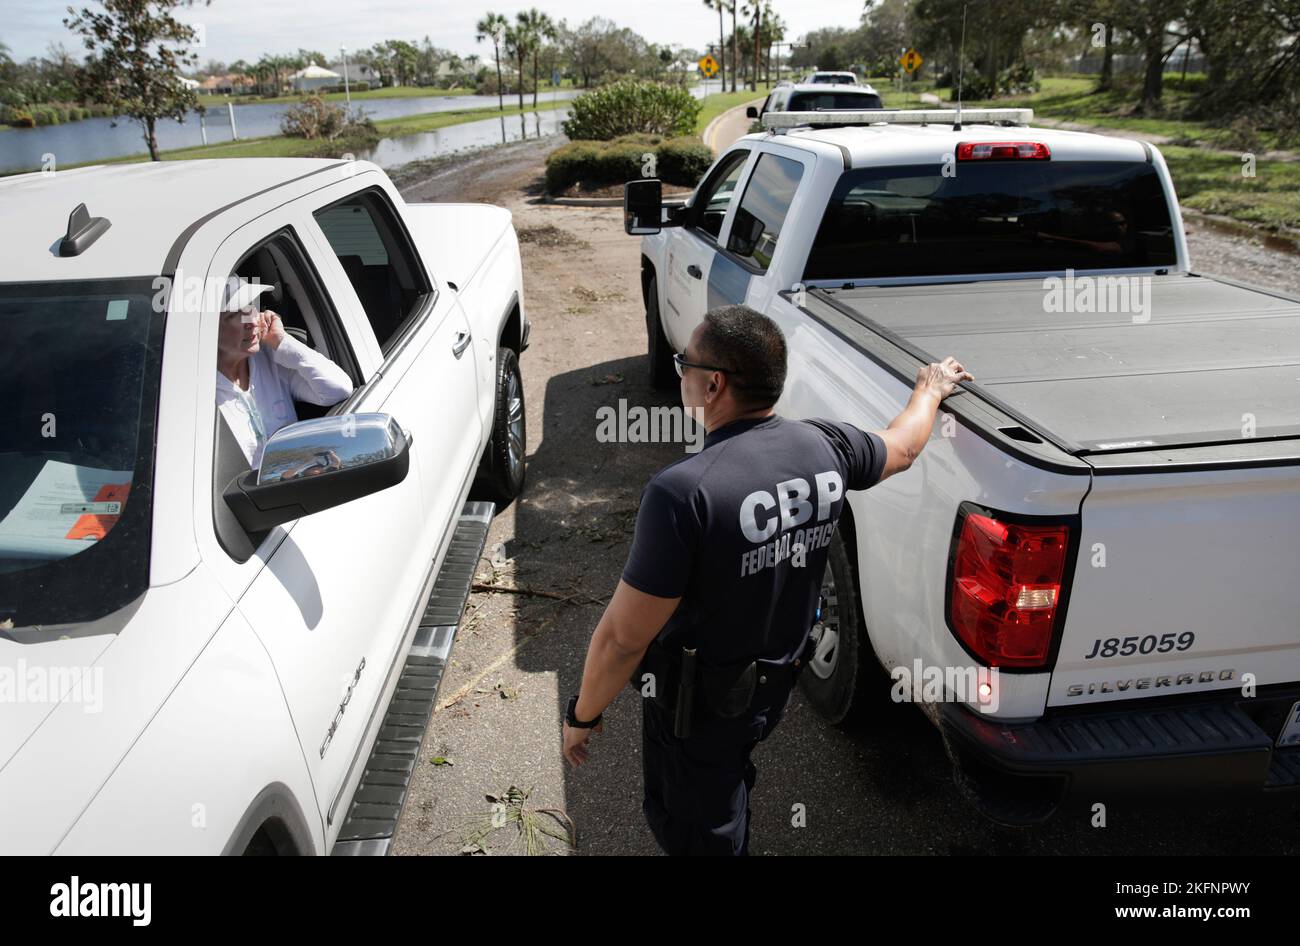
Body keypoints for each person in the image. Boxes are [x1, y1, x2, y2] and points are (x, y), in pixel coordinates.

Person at [561, 304, 972, 855]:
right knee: (727, 778)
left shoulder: (683, 493)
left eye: (685, 362)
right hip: (769, 690)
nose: (679, 368)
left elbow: (622, 639)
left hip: (698, 711)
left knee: (699, 828)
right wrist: (930, 389)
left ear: (713, 385)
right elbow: (904, 446)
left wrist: (582, 714)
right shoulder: (826, 446)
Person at [215, 280, 354, 469]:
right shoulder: (198, 388)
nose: (251, 320)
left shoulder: (273, 360)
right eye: (234, 314)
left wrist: (282, 342)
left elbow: (338, 389)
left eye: (251, 306)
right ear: (207, 329)